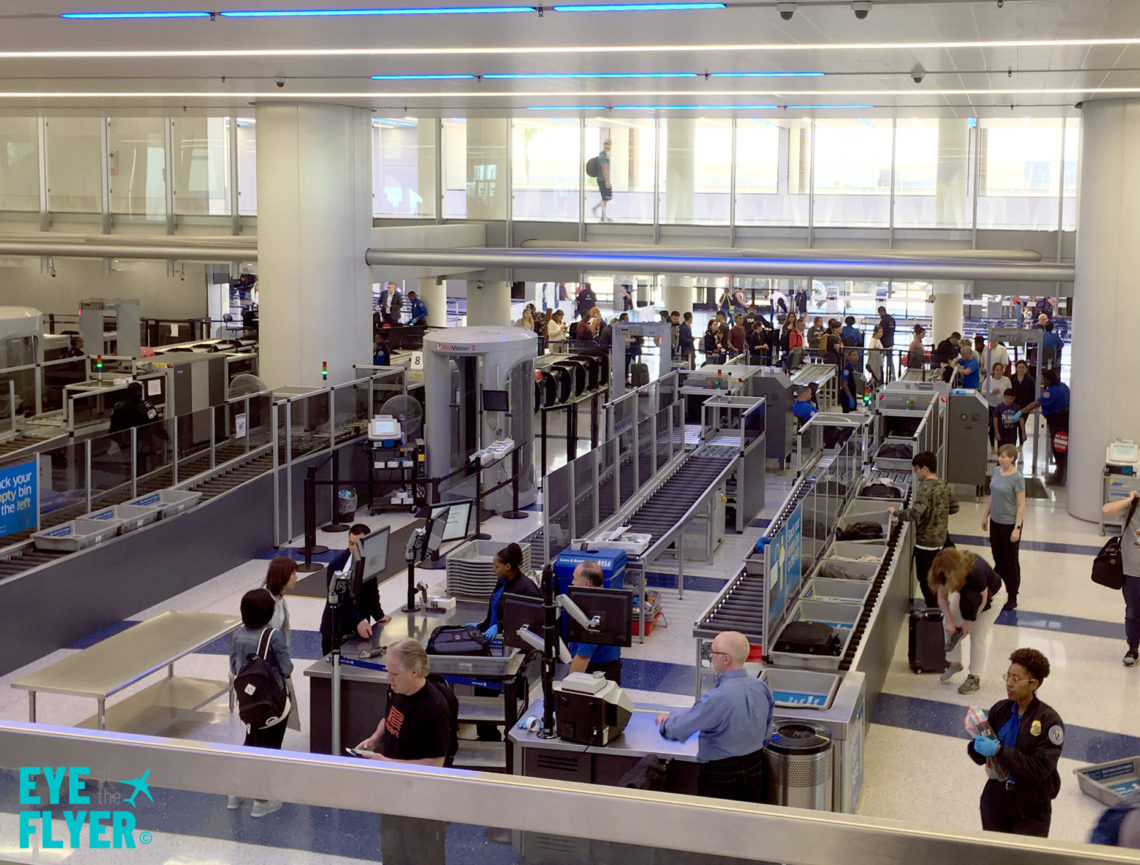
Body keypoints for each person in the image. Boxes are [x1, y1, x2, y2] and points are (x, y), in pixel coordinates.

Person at [356, 638, 452, 864]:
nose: (389, 679)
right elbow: (389, 717)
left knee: (420, 855)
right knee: (391, 851)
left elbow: (435, 764)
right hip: (392, 792)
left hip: (420, 800)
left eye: (395, 674)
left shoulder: (434, 709)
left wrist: (384, 762)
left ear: (415, 672)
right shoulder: (397, 689)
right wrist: (375, 738)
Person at [656, 631, 773, 803]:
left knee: (714, 827)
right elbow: (767, 730)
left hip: (721, 777)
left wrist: (665, 722)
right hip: (755, 769)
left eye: (713, 652)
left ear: (726, 659)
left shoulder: (716, 698)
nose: (710, 656)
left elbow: (676, 730)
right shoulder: (761, 687)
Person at [967, 648, 1063, 837]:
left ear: (1034, 684)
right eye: (1008, 677)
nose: (1009, 684)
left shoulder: (1049, 721)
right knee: (996, 854)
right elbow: (981, 758)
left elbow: (1040, 767)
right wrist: (976, 747)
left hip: (1031, 807)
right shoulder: (1000, 709)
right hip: (997, 800)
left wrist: (1000, 751)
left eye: (1016, 679)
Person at [228, 587, 293, 817]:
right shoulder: (273, 635)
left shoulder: (237, 634)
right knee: (270, 748)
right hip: (272, 703)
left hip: (247, 702)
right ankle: (262, 800)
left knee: (251, 742)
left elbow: (235, 667)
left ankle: (236, 792)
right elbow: (286, 668)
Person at [473, 543, 540, 740]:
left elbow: (530, 620)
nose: (493, 569)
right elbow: (495, 607)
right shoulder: (502, 582)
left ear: (508, 566)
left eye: (496, 566)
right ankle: (486, 734)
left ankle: (505, 735)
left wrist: (500, 627)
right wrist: (483, 626)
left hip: (512, 649)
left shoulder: (526, 588)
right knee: (482, 688)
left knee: (494, 690)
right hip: (494, 643)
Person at [888, 451, 959, 607]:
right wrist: (939, 514)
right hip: (941, 539)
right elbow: (955, 507)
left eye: (916, 470)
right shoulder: (943, 485)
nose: (916, 473)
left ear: (925, 468)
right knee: (938, 575)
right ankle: (941, 604)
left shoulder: (925, 489)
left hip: (926, 543)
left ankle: (933, 609)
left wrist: (896, 513)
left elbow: (915, 513)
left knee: (925, 578)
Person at [928, 547, 1002, 694]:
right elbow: (942, 598)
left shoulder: (976, 570)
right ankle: (955, 663)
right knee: (948, 622)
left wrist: (968, 621)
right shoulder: (943, 571)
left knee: (977, 633)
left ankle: (975, 677)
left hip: (992, 596)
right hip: (966, 593)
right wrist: (950, 621)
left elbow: (984, 599)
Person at [319, 523, 391, 656]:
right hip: (337, 628)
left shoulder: (369, 560)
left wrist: (378, 615)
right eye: (351, 544)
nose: (353, 549)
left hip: (359, 627)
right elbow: (339, 600)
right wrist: (357, 620)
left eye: (357, 545)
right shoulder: (336, 566)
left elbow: (371, 591)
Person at [983, 444, 1026, 611]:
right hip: (996, 521)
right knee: (998, 557)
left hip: (1010, 523)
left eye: (1004, 456)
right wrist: (985, 515)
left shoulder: (1017, 478)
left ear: (1012, 458)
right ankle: (997, 589)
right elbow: (992, 495)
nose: (1000, 459)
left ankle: (1012, 595)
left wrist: (1017, 527)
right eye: (999, 456)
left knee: (1011, 561)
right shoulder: (995, 472)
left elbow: (1021, 505)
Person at [567, 561, 622, 683]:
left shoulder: (592, 612)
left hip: (595, 672)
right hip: (611, 667)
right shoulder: (606, 599)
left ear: (586, 584)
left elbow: (582, 658)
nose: (572, 582)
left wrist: (569, 688)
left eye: (575, 579)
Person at [1102, 490, 1140, 666]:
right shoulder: (1132, 505)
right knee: (1133, 611)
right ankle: (1133, 647)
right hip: (1132, 570)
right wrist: (1130, 499)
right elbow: (1107, 510)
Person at [1021, 368, 1069, 485]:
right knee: (1062, 447)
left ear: (1048, 380)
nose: (1042, 381)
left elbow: (1036, 404)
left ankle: (1060, 477)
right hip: (1065, 420)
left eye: (1043, 379)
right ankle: (1061, 474)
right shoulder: (1063, 386)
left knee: (1058, 448)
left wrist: (1020, 412)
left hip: (1057, 422)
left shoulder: (1051, 392)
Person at [109, 381, 167, 474]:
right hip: (143, 441)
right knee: (144, 464)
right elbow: (156, 423)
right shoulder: (147, 407)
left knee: (131, 464)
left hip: (125, 442)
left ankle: (133, 479)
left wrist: (116, 439)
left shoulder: (118, 407)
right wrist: (165, 436)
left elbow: (114, 426)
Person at [984, 361, 1012, 449]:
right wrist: (992, 392)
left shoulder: (1006, 380)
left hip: (1003, 407)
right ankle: (992, 445)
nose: (999, 372)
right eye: (997, 370)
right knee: (992, 426)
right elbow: (983, 391)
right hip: (992, 406)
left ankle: (1002, 445)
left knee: (1003, 426)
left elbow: (1010, 391)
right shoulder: (988, 379)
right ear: (993, 370)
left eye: (1000, 370)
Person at [590, 140, 613, 222]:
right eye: (607, 145)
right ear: (604, 146)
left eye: (610, 146)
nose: (609, 147)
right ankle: (601, 215)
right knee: (605, 198)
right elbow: (603, 168)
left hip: (603, 180)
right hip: (603, 180)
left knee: (606, 198)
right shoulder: (603, 156)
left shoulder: (604, 155)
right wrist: (607, 180)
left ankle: (601, 214)